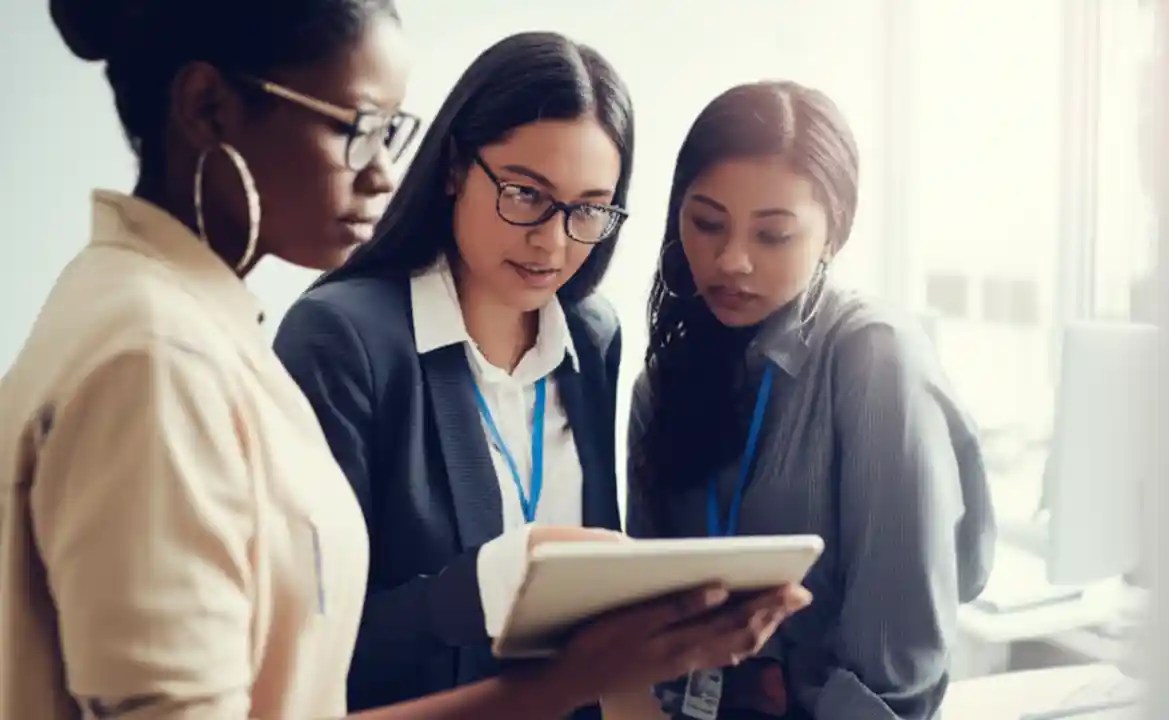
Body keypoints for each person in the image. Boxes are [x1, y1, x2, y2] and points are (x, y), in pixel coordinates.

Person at [0, 3, 809, 718]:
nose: (383, 170)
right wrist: (543, 656)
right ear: (207, 105)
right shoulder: (161, 357)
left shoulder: (190, 324)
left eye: (590, 210)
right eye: (357, 126)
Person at [275, 30, 790, 717]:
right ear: (456, 166)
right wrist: (490, 582)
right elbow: (302, 646)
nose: (552, 241)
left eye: (588, 210)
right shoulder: (343, 341)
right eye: (525, 194)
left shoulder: (590, 334)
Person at [626, 81, 996, 719]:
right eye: (707, 223)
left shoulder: (873, 358)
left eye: (773, 236)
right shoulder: (662, 384)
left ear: (834, 233)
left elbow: (898, 665)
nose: (731, 260)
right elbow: (648, 622)